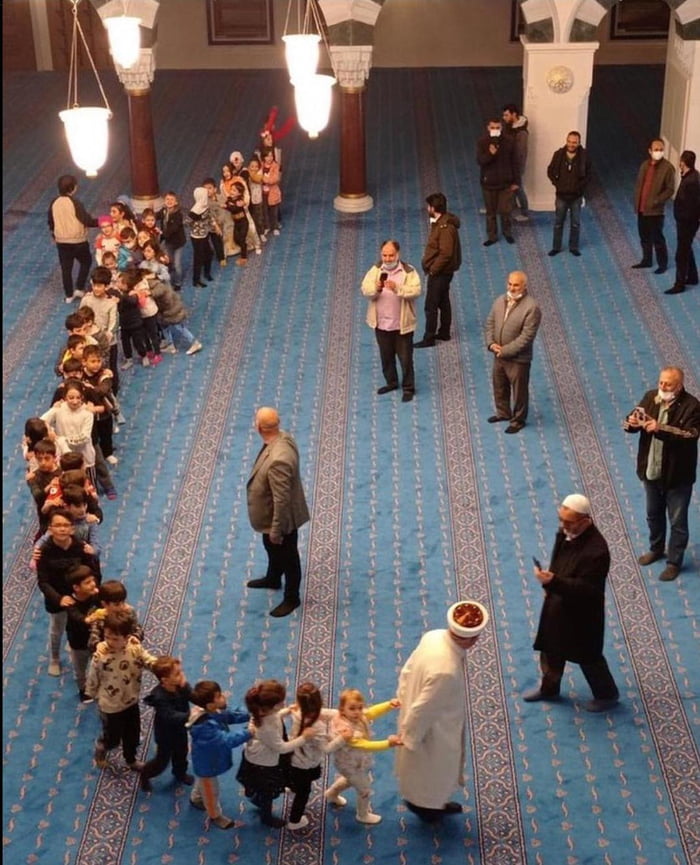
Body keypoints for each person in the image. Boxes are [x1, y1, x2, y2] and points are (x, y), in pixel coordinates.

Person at [523, 494, 620, 712]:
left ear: (585, 521)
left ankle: (607, 695)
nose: (563, 526)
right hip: (558, 602)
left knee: (589, 656)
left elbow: (588, 590)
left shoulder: (597, 551)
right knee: (551, 649)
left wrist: (554, 582)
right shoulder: (566, 532)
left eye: (568, 522)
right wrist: (550, 584)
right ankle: (549, 688)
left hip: (583, 614)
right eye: (561, 520)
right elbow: (557, 561)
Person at [395, 601, 488, 822]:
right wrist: (410, 739)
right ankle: (427, 808)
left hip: (417, 712)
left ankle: (430, 803)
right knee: (432, 772)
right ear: (473, 639)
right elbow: (424, 710)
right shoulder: (447, 670)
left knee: (428, 771)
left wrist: (402, 695)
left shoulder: (434, 636)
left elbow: (408, 669)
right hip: (432, 731)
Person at [623, 366, 699, 581]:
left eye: (668, 384)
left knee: (677, 521)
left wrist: (660, 429)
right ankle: (656, 548)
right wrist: (631, 423)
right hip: (651, 470)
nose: (663, 387)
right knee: (653, 514)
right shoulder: (650, 397)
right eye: (661, 382)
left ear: (680, 385)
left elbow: (690, 435)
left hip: (677, 477)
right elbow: (635, 417)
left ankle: (674, 562)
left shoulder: (692, 406)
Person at [246, 407, 309, 618]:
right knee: (270, 547)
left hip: (281, 519)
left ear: (259, 427)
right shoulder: (284, 438)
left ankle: (292, 597)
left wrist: (276, 529)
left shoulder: (278, 460)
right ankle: (273, 578)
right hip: (271, 516)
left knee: (288, 556)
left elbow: (281, 500)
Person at [85, 609, 157, 771]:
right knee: (113, 738)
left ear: (126, 637)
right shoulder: (101, 655)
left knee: (133, 734)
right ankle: (102, 748)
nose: (109, 641)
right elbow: (93, 675)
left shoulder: (134, 648)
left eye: (115, 638)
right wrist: (90, 692)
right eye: (107, 637)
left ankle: (130, 759)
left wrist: (160, 667)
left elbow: (146, 659)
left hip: (131, 700)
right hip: (110, 706)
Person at [236, 679, 313, 828]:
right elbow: (282, 748)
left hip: (263, 760)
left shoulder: (262, 713)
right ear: (272, 706)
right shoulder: (266, 728)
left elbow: (275, 716)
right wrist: (304, 738)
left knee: (266, 789)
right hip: (263, 766)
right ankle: (266, 817)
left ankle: (257, 797)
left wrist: (287, 711)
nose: (284, 704)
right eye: (282, 703)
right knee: (267, 794)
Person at [36, 508, 101, 677]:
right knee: (57, 629)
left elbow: (94, 571)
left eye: (66, 525)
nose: (62, 529)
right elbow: (43, 582)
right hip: (57, 599)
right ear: (50, 529)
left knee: (80, 625)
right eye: (58, 525)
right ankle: (55, 658)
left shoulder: (80, 547)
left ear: (72, 528)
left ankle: (74, 647)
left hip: (82, 597)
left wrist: (93, 591)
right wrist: (59, 599)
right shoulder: (44, 551)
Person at [324, 688, 401, 825]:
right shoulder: (346, 731)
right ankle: (362, 814)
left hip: (354, 762)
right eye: (352, 708)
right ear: (342, 709)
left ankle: (331, 794)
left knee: (349, 780)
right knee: (364, 789)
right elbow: (365, 745)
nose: (358, 712)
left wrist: (389, 704)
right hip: (349, 764)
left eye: (360, 708)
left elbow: (371, 712)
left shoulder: (355, 716)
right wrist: (388, 743)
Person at [360, 239, 422, 401]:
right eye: (384, 255)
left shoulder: (409, 271)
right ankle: (391, 382)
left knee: (406, 359)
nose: (387, 258)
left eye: (390, 255)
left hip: (401, 325)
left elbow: (416, 291)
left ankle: (408, 387)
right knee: (386, 357)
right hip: (381, 324)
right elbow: (365, 290)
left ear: (398, 254)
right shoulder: (375, 270)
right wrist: (376, 288)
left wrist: (397, 288)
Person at [187, 679, 251, 829]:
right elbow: (226, 741)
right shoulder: (204, 727)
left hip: (209, 759)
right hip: (207, 764)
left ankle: (196, 798)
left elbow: (228, 715)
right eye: (219, 696)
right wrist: (248, 733)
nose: (224, 698)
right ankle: (215, 815)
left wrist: (248, 715)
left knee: (203, 783)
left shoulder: (211, 711)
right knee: (211, 792)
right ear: (210, 705)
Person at [484, 271, 542, 434]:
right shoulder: (499, 301)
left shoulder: (532, 307)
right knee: (499, 385)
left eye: (516, 285)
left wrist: (505, 350)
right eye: (510, 283)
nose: (512, 287)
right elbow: (490, 323)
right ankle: (503, 413)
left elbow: (527, 337)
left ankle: (518, 420)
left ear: (524, 286)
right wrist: (491, 344)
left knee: (519, 391)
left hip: (518, 359)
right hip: (499, 354)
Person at [140, 656, 195, 792]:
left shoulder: (180, 686)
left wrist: (186, 687)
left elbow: (193, 697)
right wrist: (192, 716)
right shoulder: (159, 697)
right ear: (164, 680)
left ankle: (179, 773)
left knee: (182, 753)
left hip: (181, 730)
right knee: (161, 762)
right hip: (166, 736)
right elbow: (171, 717)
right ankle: (145, 774)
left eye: (181, 671)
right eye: (177, 674)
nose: (182, 675)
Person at [284, 682, 333, 830]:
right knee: (303, 793)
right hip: (305, 764)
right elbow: (326, 748)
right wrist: (341, 739)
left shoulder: (297, 713)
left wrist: (341, 713)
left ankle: (291, 786)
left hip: (292, 758)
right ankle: (295, 820)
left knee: (296, 779)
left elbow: (325, 713)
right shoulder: (317, 727)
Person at [414, 193, 461, 347]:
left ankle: (429, 338)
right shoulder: (440, 222)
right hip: (442, 272)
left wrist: (433, 269)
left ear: (433, 208)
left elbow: (446, 253)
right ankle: (444, 332)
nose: (427, 209)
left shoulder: (444, 227)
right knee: (443, 301)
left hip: (440, 273)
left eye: (428, 206)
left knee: (431, 305)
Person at [48, 174, 98, 303]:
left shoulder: (54, 202)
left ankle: (69, 295)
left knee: (66, 269)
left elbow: (51, 221)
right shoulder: (75, 202)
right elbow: (87, 220)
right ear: (73, 188)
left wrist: (54, 235)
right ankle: (79, 288)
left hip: (61, 242)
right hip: (78, 241)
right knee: (86, 262)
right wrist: (103, 221)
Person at [632, 138, 675, 273]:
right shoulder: (645, 165)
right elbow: (640, 184)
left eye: (661, 149)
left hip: (655, 211)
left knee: (657, 238)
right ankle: (647, 260)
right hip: (642, 208)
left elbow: (670, 189)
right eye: (656, 149)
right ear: (650, 151)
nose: (659, 152)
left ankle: (662, 264)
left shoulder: (668, 168)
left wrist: (657, 200)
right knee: (644, 236)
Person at [476, 118, 520, 246]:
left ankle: (507, 233)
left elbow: (515, 162)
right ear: (488, 128)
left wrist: (516, 181)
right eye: (492, 128)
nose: (495, 130)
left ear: (501, 128)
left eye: (497, 128)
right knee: (491, 213)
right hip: (488, 183)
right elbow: (480, 161)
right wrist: (490, 154)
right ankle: (492, 236)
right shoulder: (482, 142)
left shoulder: (509, 142)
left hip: (506, 183)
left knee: (506, 211)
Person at [547, 131, 590, 257]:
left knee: (575, 223)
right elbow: (550, 171)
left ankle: (573, 247)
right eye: (569, 141)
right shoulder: (558, 155)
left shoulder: (584, 157)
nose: (571, 144)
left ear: (578, 142)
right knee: (558, 223)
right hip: (561, 195)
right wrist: (557, 184)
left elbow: (589, 175)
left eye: (574, 142)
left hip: (576, 197)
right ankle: (556, 247)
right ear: (566, 141)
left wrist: (580, 187)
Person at [64, 565, 101, 702]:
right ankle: (83, 690)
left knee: (97, 665)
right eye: (87, 583)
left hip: (96, 640)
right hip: (78, 643)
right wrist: (88, 619)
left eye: (93, 580)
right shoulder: (70, 603)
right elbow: (78, 617)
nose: (93, 584)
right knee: (80, 669)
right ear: (76, 588)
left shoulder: (96, 596)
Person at [666, 150, 700, 295]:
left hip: (687, 222)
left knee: (681, 253)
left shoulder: (691, 182)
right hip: (688, 221)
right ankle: (692, 276)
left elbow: (692, 205)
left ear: (683, 162)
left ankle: (679, 284)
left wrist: (682, 218)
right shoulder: (692, 176)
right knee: (686, 247)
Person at [502, 103, 529, 221]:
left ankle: (525, 213)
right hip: (507, 163)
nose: (504, 118)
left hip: (515, 166)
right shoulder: (509, 128)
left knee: (518, 188)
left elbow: (521, 153)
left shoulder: (521, 133)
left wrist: (517, 170)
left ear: (514, 114)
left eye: (506, 115)